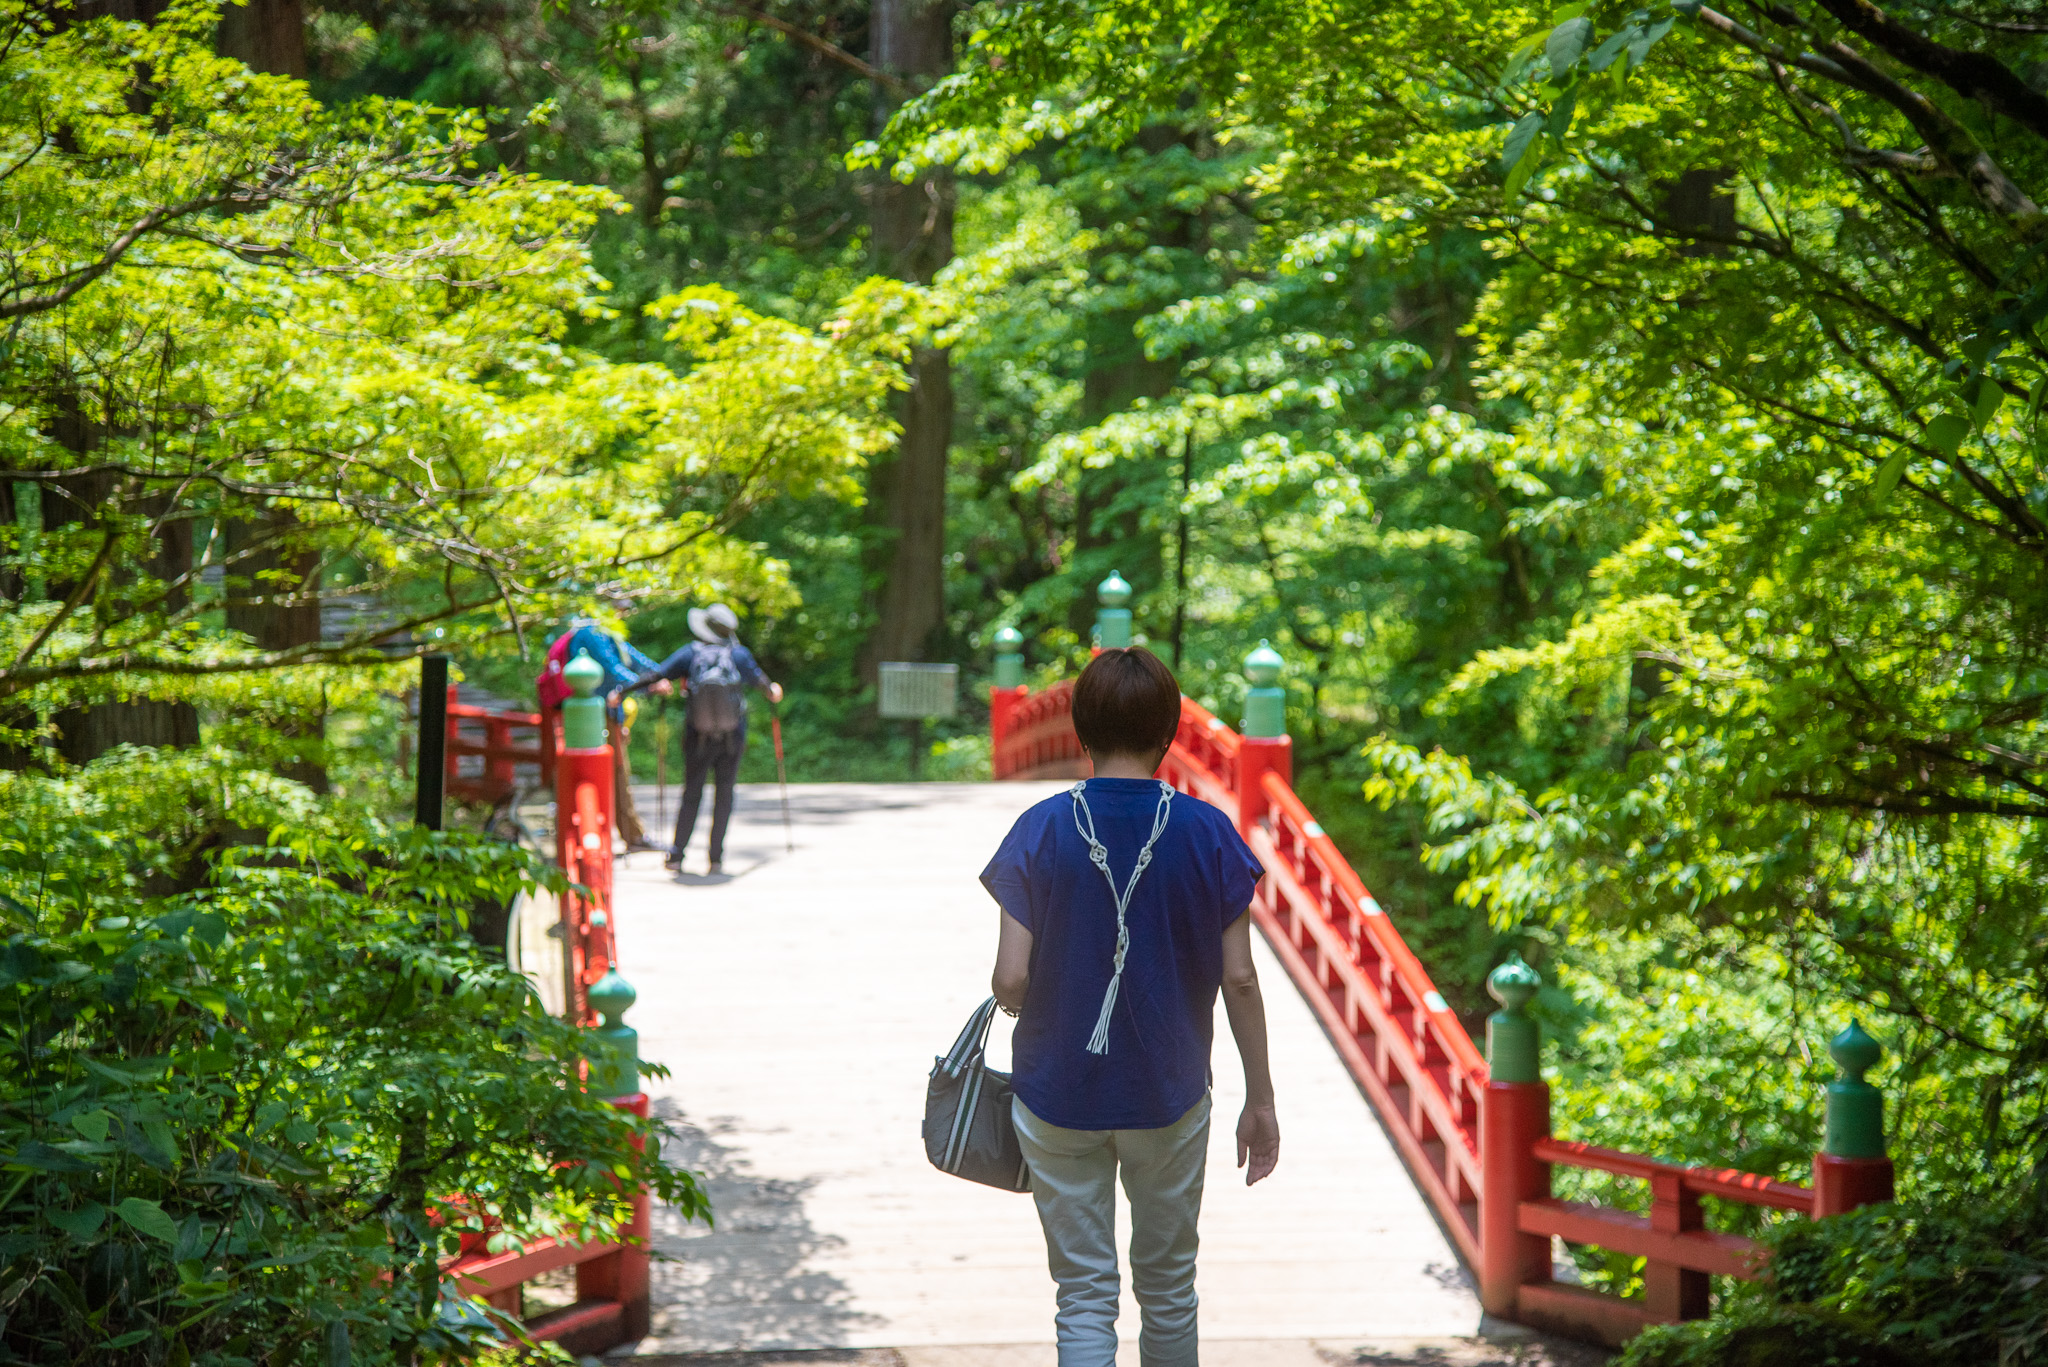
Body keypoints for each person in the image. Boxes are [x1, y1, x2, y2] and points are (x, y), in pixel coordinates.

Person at [980, 646, 1279, 1367]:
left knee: (1083, 1292)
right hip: (1168, 1093)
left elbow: (1010, 980)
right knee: (1169, 1286)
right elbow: (1239, 978)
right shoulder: (1209, 832)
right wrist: (1260, 1097)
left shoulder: (1042, 827)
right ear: (1169, 731)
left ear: (1080, 729)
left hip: (1058, 1095)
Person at [623, 602, 783, 875]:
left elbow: (657, 675)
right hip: (733, 736)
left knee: (692, 793)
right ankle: (716, 858)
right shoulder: (739, 655)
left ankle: (676, 855)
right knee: (724, 794)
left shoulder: (691, 652)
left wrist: (624, 690)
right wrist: (774, 690)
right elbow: (767, 688)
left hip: (697, 736)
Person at [545, 616, 670, 852]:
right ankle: (618, 835)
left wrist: (661, 676)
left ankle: (628, 834)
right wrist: (648, 686)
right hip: (598, 716)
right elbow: (613, 669)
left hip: (607, 714)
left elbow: (635, 659)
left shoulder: (608, 632)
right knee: (612, 773)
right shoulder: (591, 634)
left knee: (616, 774)